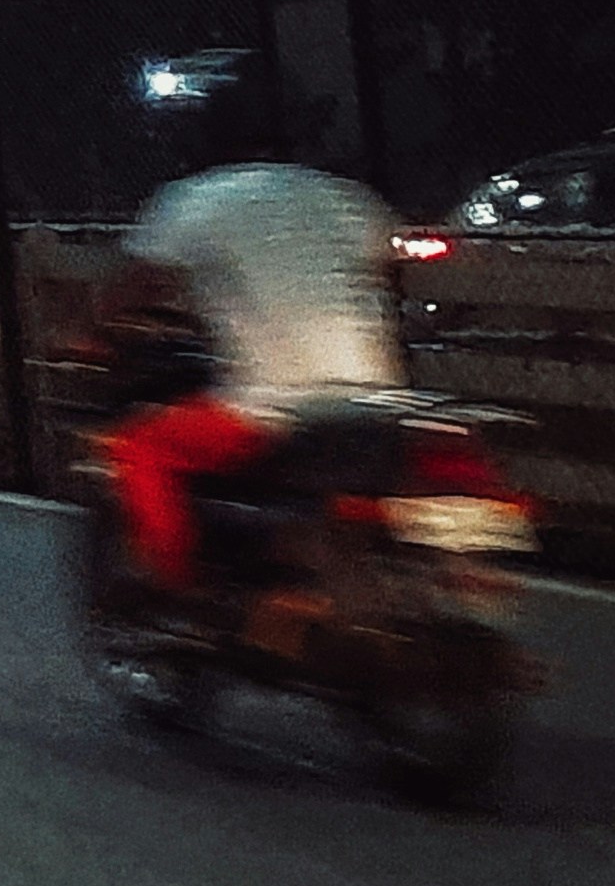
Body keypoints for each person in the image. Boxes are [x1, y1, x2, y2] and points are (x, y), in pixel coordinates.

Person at [93, 155, 411, 599]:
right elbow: (384, 273)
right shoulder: (344, 197)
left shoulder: (193, 200)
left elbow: (134, 283)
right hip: (376, 400)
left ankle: (179, 589)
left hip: (273, 408)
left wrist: (92, 331)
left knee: (140, 448)